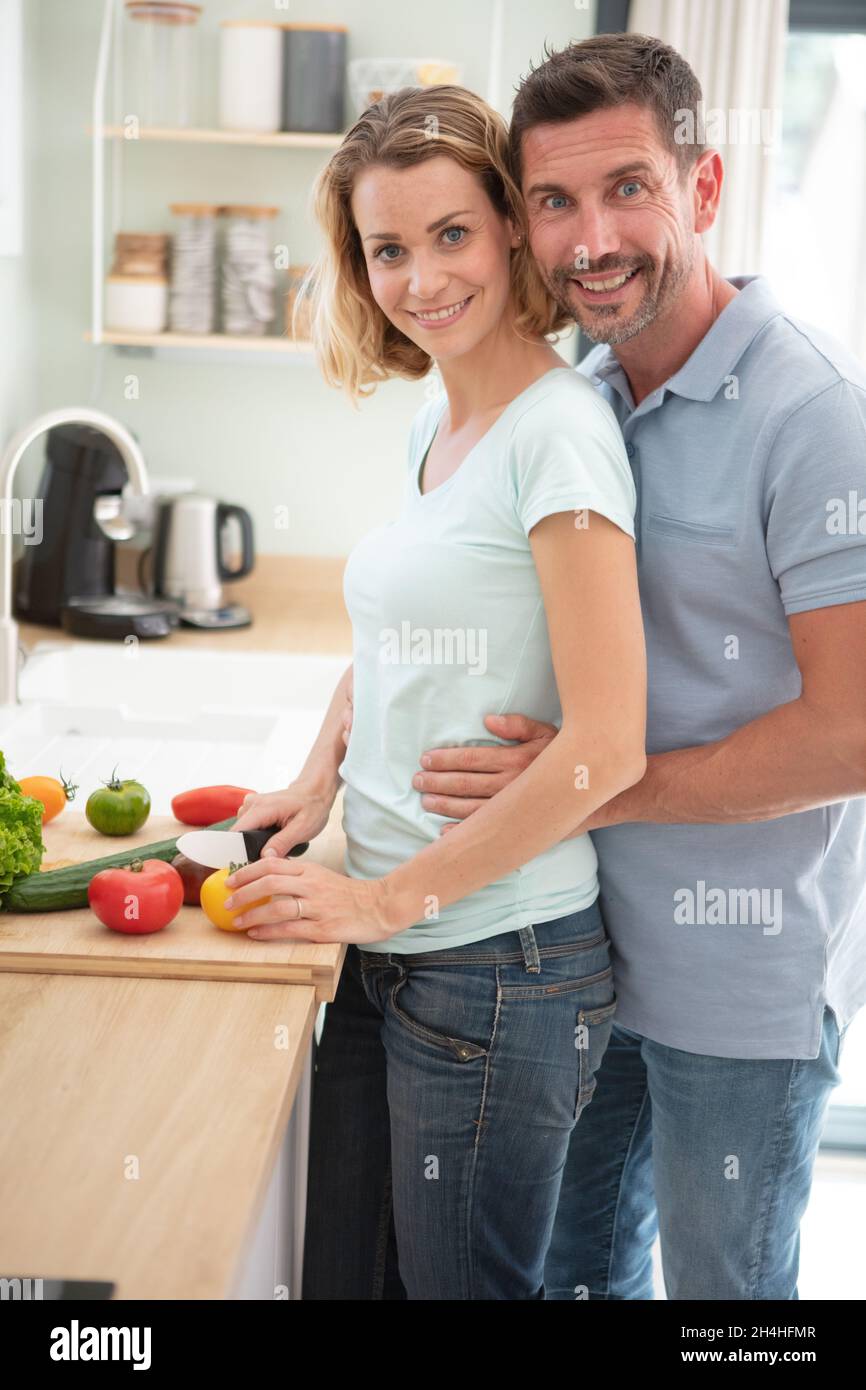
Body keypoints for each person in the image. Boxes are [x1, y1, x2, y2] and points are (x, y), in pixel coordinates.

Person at [381, 33, 866, 1300]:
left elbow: (850, 731)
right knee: (579, 1275)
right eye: (553, 202)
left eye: (627, 189)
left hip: (739, 981)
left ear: (701, 192)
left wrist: (597, 783)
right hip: (582, 957)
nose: (591, 237)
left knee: (725, 1302)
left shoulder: (810, 417)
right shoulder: (581, 396)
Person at [224, 84, 647, 1299]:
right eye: (388, 249)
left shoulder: (555, 432)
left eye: (450, 234)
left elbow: (606, 744)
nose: (421, 279)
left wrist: (383, 905)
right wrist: (320, 776)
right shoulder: (438, 418)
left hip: (498, 963)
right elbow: (402, 631)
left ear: (511, 229)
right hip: (397, 938)